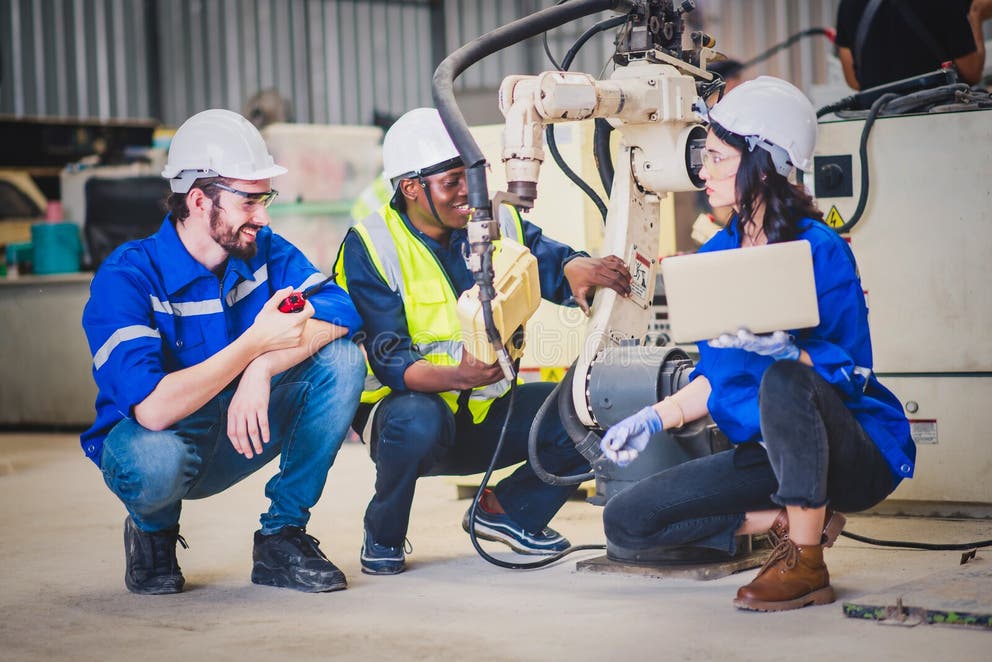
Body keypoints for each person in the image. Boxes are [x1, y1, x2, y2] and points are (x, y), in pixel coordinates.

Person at [598, 77, 916, 612]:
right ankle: (791, 521)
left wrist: (792, 354)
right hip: (772, 453)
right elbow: (718, 377)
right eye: (704, 157)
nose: (702, 171)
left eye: (716, 158)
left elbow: (855, 373)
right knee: (627, 520)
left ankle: (806, 561)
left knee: (785, 379)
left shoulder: (818, 248)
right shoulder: (715, 257)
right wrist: (653, 418)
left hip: (852, 451)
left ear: (762, 166)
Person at [335, 107, 633, 575]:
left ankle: (509, 512)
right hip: (407, 422)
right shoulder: (372, 245)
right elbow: (390, 358)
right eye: (452, 181)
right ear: (410, 187)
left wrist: (575, 265)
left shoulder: (494, 219)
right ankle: (384, 533)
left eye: (471, 176)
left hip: (487, 410)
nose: (467, 192)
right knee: (417, 419)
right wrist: (458, 375)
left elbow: (543, 259)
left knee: (591, 407)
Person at [80, 109, 366, 595]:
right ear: (198, 200)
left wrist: (262, 367)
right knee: (154, 462)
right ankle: (153, 533)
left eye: (265, 199)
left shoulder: (265, 251)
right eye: (249, 201)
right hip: (162, 442)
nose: (263, 217)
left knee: (342, 360)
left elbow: (343, 310)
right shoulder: (128, 277)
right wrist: (255, 342)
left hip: (243, 424)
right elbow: (153, 409)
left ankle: (281, 536)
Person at [835, 0, 990, 90]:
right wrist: (976, 14)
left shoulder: (847, 4)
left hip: (877, 124)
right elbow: (971, 73)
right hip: (939, 121)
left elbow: (854, 81)